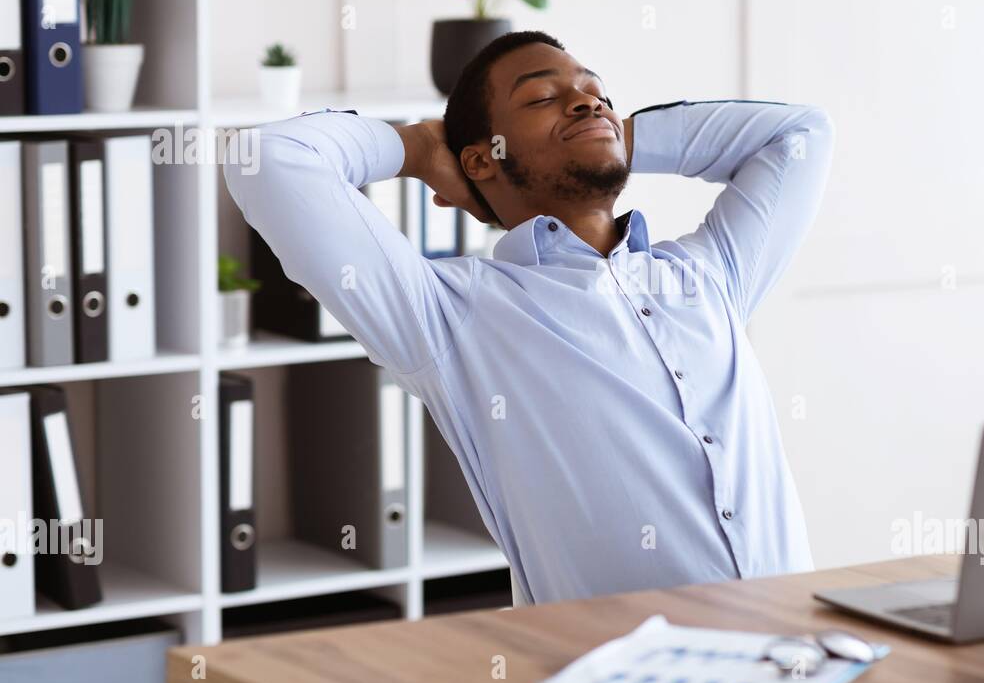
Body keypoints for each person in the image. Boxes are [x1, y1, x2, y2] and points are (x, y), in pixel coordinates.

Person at [224, 30, 836, 605]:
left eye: (598, 94)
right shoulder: (449, 315)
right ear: (480, 161)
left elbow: (800, 134)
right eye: (543, 96)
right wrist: (418, 147)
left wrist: (615, 133)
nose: (586, 102)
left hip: (801, 667)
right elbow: (265, 157)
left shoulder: (710, 276)